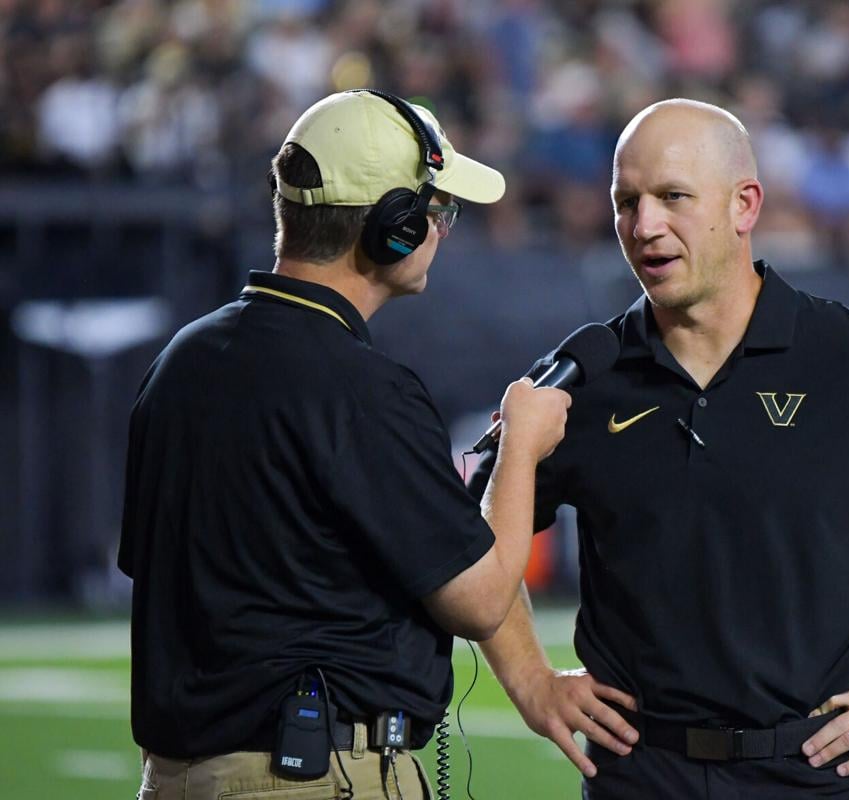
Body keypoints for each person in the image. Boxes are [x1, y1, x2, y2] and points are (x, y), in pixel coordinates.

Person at [468, 99, 849, 798]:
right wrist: (528, 680)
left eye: (673, 197)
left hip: (814, 774)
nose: (644, 226)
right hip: (639, 777)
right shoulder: (581, 377)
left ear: (745, 205)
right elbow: (468, 546)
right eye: (626, 202)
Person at [118, 89, 571, 800]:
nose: (441, 230)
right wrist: (522, 444)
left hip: (175, 777)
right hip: (305, 776)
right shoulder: (361, 389)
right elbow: (481, 600)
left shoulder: (181, 359)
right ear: (394, 226)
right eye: (435, 211)